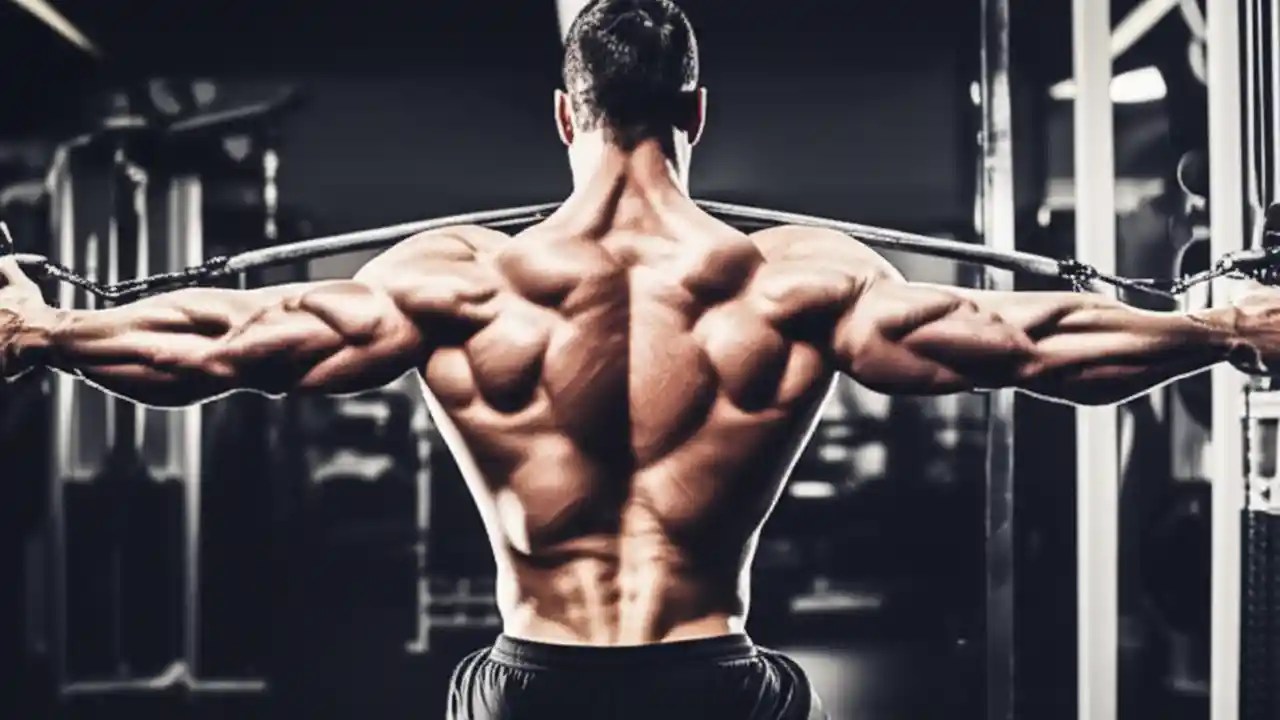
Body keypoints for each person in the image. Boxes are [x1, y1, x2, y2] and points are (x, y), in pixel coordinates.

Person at [0, 0, 1274, 717]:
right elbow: (1026, 342)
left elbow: (231, 346)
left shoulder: (458, 280)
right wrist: (1225, 328)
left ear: (563, 115)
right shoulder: (793, 279)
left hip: (531, 685)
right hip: (714, 681)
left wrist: (45, 332)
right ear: (698, 114)